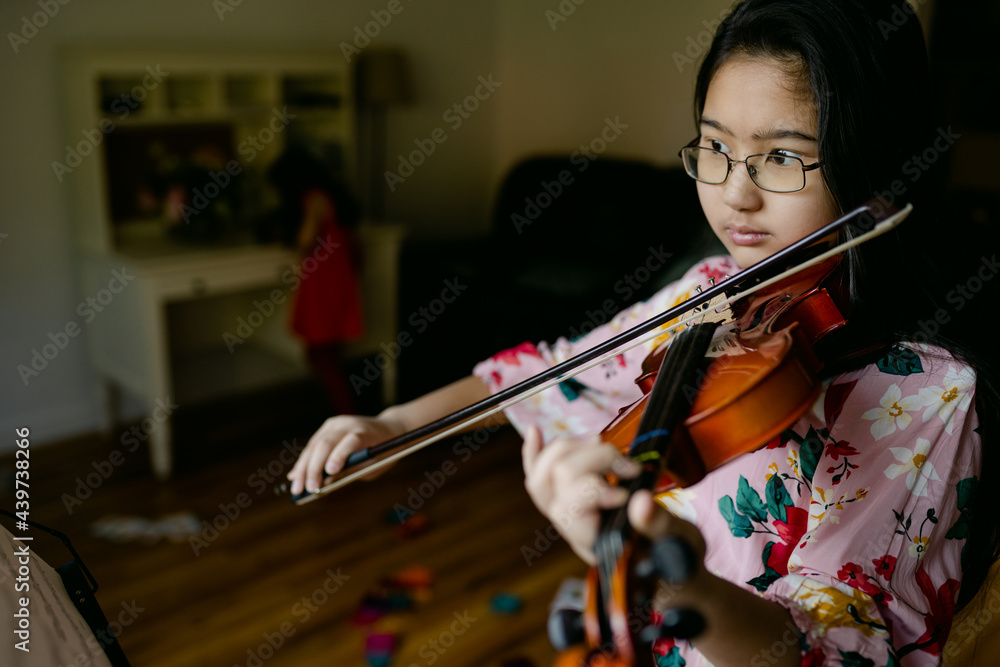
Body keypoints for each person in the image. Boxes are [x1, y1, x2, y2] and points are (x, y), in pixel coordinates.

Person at [286, 1, 998, 664]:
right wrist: (392, 421)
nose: (733, 192)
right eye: (714, 147)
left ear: (875, 162)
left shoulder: (926, 387)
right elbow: (556, 370)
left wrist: (681, 578)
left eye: (781, 157)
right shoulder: (712, 289)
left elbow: (845, 645)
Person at [266, 146, 365, 415]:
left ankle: (347, 412)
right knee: (325, 350)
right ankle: (344, 406)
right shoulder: (330, 195)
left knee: (320, 350)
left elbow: (306, 239)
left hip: (323, 282)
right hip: (333, 280)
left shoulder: (314, 199)